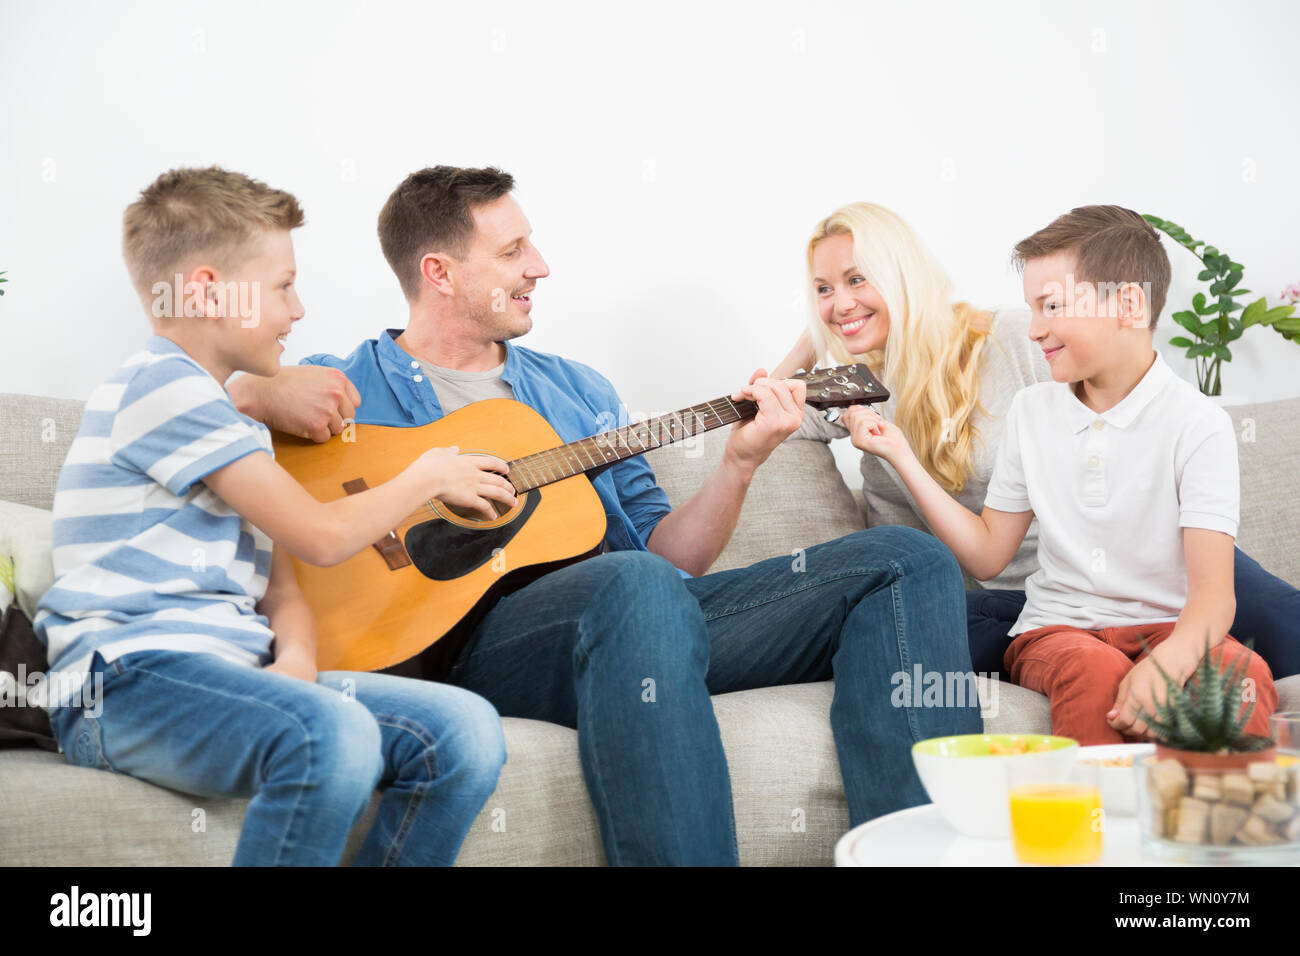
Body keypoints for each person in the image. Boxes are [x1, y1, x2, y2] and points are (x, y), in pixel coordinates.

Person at [228, 165, 983, 866]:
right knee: (632, 584)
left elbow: (671, 560)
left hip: (643, 626)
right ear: (440, 272)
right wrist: (251, 391)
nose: (541, 266)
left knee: (900, 559)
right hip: (477, 653)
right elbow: (195, 418)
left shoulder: (578, 393)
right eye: (513, 250)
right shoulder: (341, 386)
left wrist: (739, 461)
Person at [34, 167, 507, 866]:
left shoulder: (236, 425)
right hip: (128, 683)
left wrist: (297, 662)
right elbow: (319, 536)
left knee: (464, 732)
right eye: (283, 285)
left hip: (235, 673)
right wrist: (428, 475)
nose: (299, 310)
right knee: (332, 736)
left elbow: (281, 586)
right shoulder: (158, 386)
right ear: (205, 290)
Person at [774, 201, 1300, 681]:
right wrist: (813, 340)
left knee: (1272, 625)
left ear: (901, 279)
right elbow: (766, 415)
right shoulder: (852, 393)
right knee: (895, 628)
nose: (840, 302)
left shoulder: (1009, 342)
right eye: (822, 288)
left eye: (856, 280)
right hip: (1030, 602)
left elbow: (1119, 406)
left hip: (1141, 573)